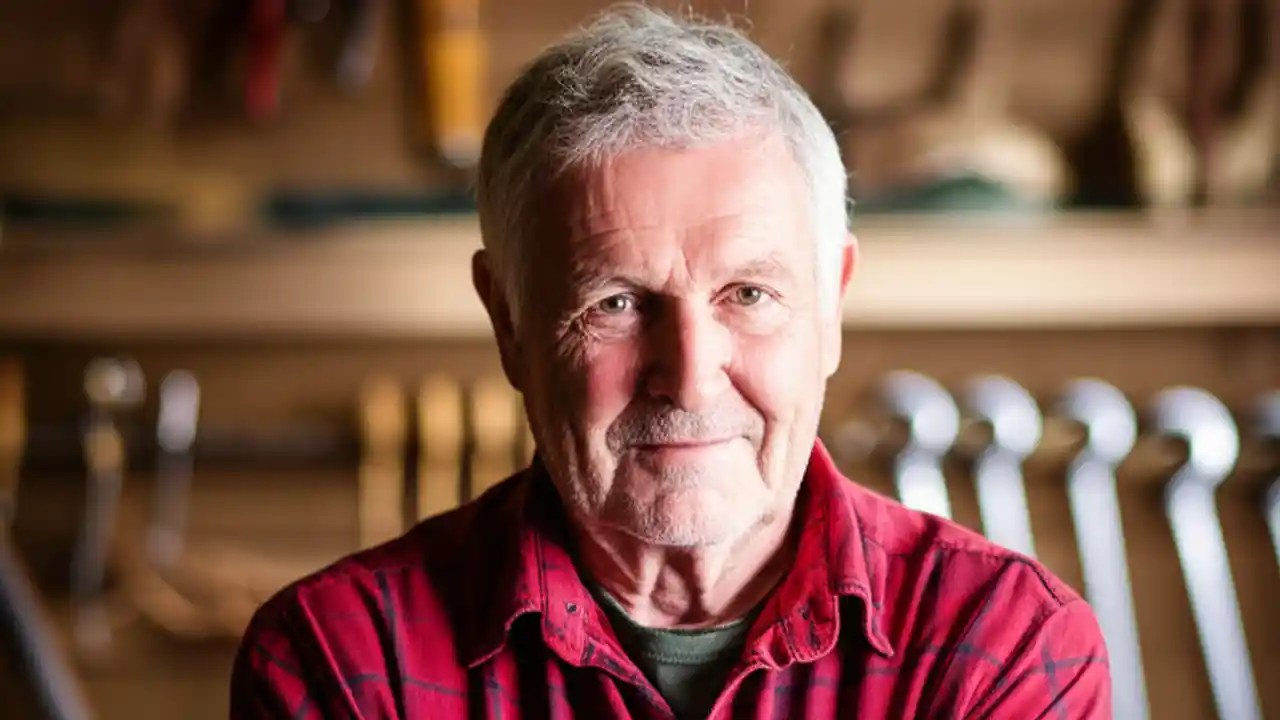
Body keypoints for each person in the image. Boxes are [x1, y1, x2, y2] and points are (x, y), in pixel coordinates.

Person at [230, 5, 1109, 718]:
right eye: (616, 304)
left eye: (749, 296)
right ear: (509, 321)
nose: (688, 376)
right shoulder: (344, 663)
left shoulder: (1005, 647)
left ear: (831, 305)